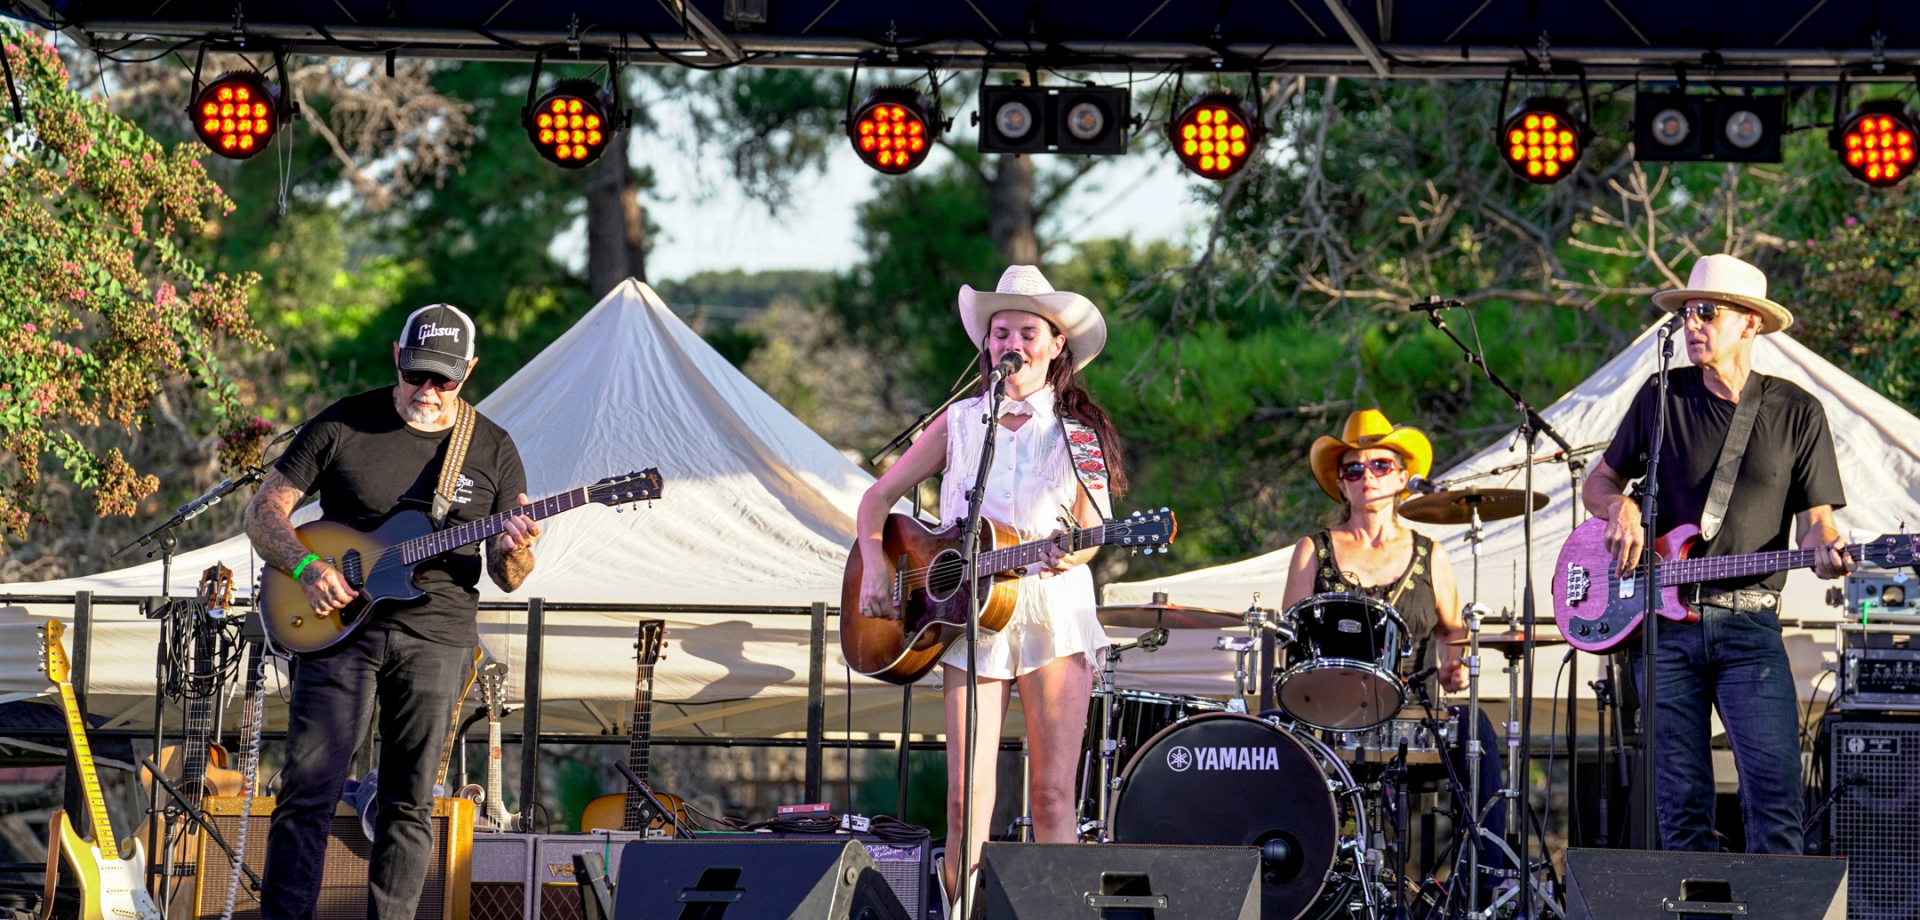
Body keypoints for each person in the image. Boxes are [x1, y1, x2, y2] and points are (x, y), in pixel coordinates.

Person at [245, 304, 541, 920]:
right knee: (308, 790)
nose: (428, 392)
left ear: (469, 372)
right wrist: (306, 568)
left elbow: (509, 577)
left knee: (409, 801)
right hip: (338, 633)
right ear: (397, 359)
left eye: (445, 380)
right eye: (417, 375)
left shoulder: (492, 446)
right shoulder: (344, 422)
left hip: (437, 637)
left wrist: (519, 552)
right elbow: (264, 512)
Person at [854, 265, 1124, 894]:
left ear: (1057, 345)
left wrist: (1069, 554)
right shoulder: (958, 421)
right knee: (963, 803)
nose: (1012, 343)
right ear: (987, 344)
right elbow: (878, 501)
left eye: (1027, 331)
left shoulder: (1079, 433)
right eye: (1000, 331)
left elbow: (1095, 532)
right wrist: (873, 561)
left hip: (1051, 615)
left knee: (1053, 796)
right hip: (966, 616)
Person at [1582, 253, 1851, 853]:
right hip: (1664, 631)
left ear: (1750, 324)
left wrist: (1828, 548)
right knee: (1681, 808)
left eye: (1706, 312)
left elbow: (1817, 524)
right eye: (1686, 314)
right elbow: (1598, 483)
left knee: (1775, 796)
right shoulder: (1661, 395)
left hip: (1750, 623)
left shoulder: (1797, 411)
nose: (1692, 325)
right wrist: (1619, 508)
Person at [1280, 409, 1504, 872]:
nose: (1368, 477)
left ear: (1403, 476)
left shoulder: (1430, 554)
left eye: (1381, 465)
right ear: (1341, 485)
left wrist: (1454, 662)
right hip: (1330, 712)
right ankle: (1287, 874)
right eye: (1354, 469)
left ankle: (1483, 875)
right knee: (1266, 733)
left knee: (1475, 728)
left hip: (1411, 710)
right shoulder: (1313, 549)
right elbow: (1292, 633)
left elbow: (1452, 632)